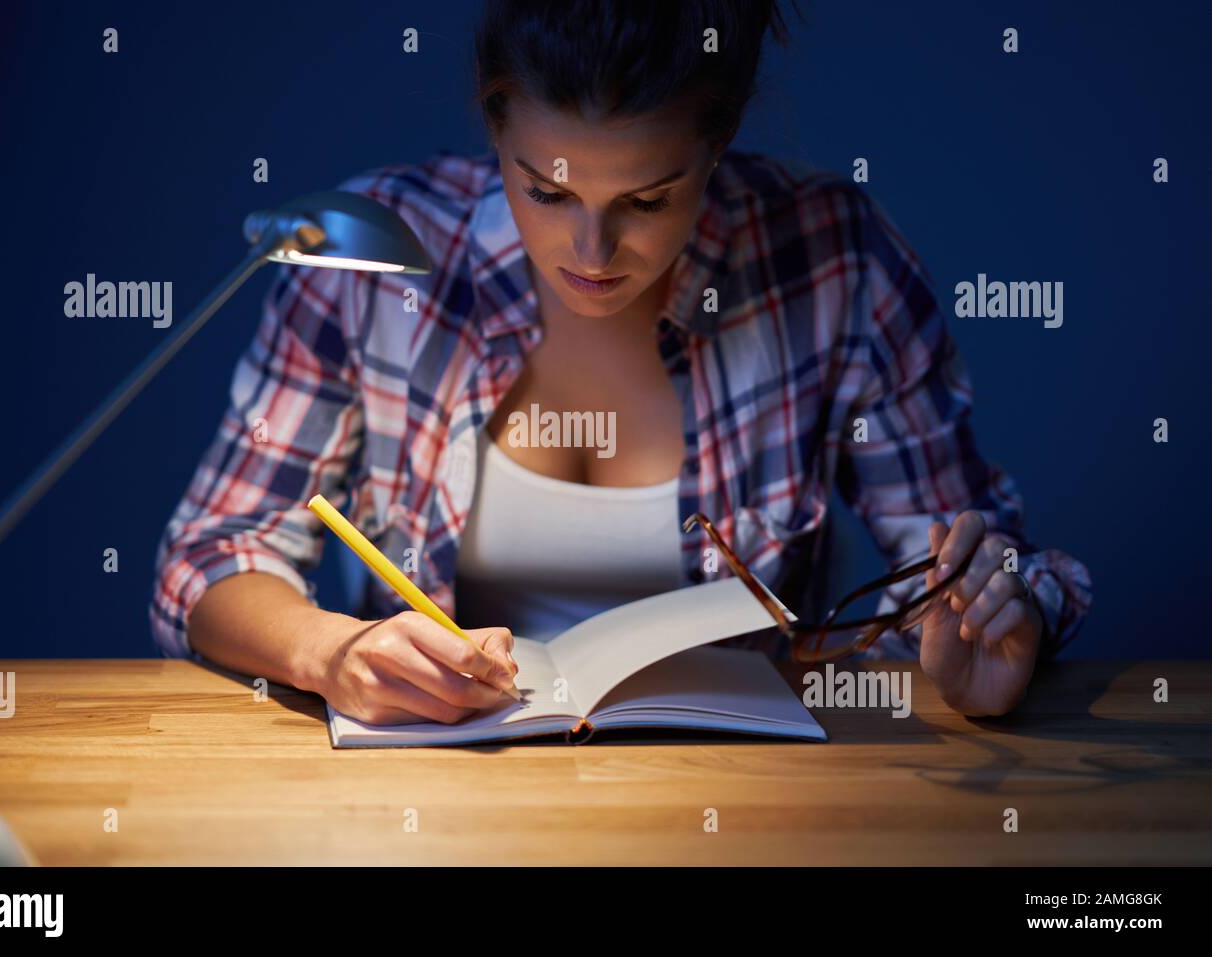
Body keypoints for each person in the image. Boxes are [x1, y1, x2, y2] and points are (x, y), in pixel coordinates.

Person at [151, 0, 1091, 724]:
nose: (591, 252)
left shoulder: (833, 259)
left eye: (647, 199)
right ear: (496, 127)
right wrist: (333, 653)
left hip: (749, 820)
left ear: (715, 147)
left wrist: (989, 632)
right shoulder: (369, 263)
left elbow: (978, 555)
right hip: (437, 806)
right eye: (544, 191)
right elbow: (207, 554)